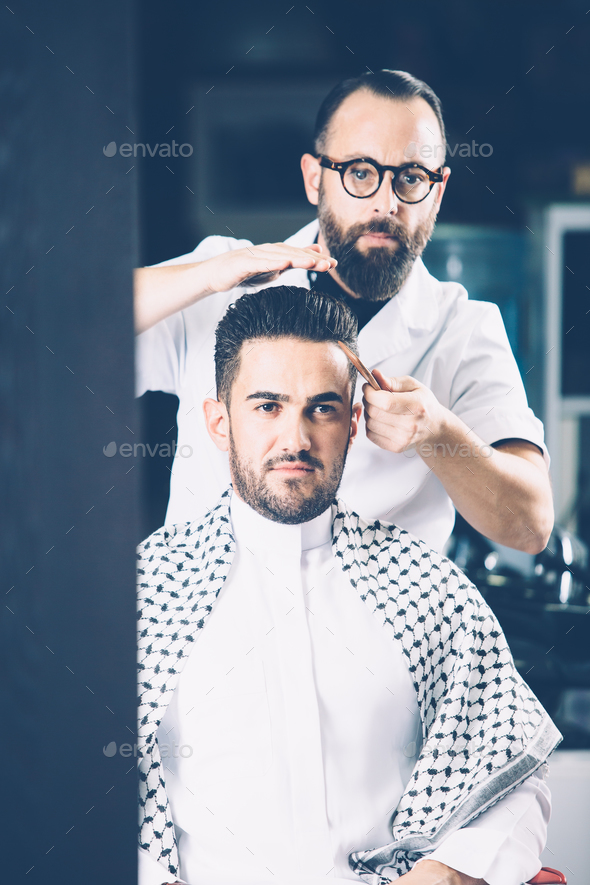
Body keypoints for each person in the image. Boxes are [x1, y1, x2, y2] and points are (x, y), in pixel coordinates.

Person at [137, 287, 560, 885]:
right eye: (267, 406)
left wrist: (443, 873)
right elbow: (88, 794)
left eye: (322, 408)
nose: (296, 440)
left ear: (353, 421)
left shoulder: (428, 590)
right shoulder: (144, 591)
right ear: (218, 423)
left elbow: (513, 782)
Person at [134, 69, 553, 555]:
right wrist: (206, 275)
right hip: (213, 617)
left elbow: (531, 526)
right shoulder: (215, 279)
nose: (386, 203)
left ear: (437, 193)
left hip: (381, 625)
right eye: (360, 172)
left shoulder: (463, 330)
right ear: (315, 178)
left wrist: (437, 434)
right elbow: (69, 330)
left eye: (412, 178)